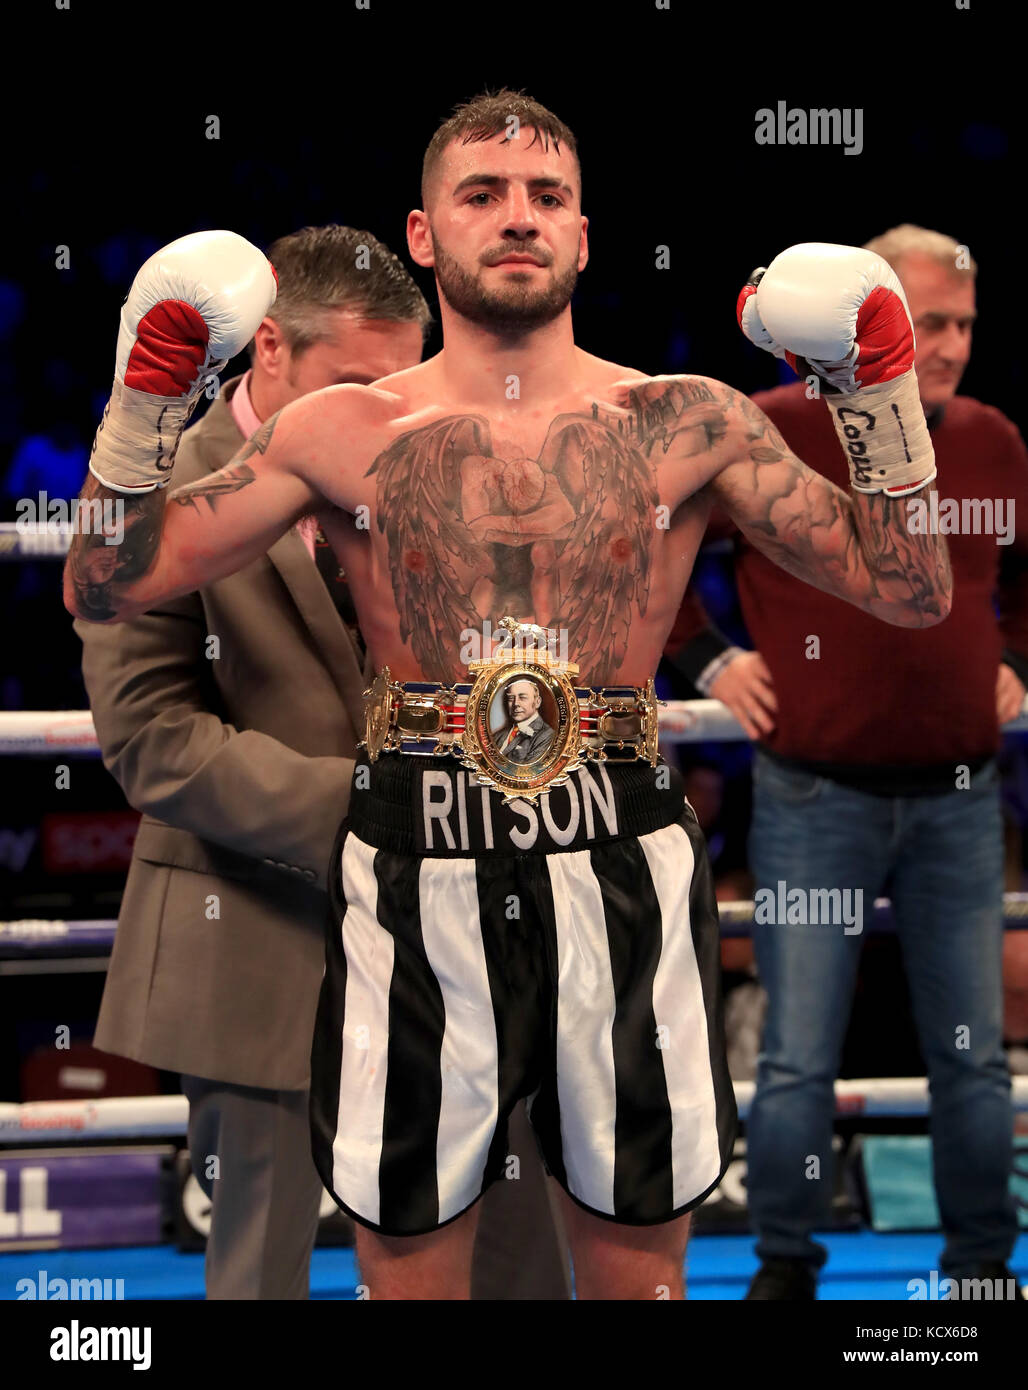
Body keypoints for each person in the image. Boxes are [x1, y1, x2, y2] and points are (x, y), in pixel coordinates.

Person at [64, 90, 952, 1300]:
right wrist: (143, 398)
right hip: (409, 861)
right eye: (480, 194)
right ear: (424, 235)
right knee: (415, 1281)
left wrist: (878, 394)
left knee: (639, 1279)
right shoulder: (338, 429)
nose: (516, 217)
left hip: (623, 852)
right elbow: (110, 585)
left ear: (585, 235)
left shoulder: (686, 421)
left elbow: (909, 588)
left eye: (545, 197)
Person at [73, 222, 573, 1301]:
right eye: (353, 383)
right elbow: (152, 735)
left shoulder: (448, 457)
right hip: (257, 924)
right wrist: (371, 807)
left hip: (470, 925)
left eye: (405, 384)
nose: (383, 413)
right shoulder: (154, 489)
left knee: (522, 1258)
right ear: (266, 350)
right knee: (262, 1271)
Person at [668, 224, 1027, 1299]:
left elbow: (1011, 583)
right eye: (926, 321)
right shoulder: (768, 429)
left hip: (959, 795)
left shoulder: (991, 441)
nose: (949, 344)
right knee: (794, 1057)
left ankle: (978, 1269)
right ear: (859, 323)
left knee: (970, 1057)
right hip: (812, 791)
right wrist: (707, 660)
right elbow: (660, 543)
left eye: (963, 322)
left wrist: (1008, 654)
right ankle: (783, 1265)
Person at [496, 677, 555, 762]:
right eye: (511, 698)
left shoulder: (547, 736)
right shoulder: (498, 736)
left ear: (537, 702)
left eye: (523, 697)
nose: (515, 703)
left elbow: (530, 772)